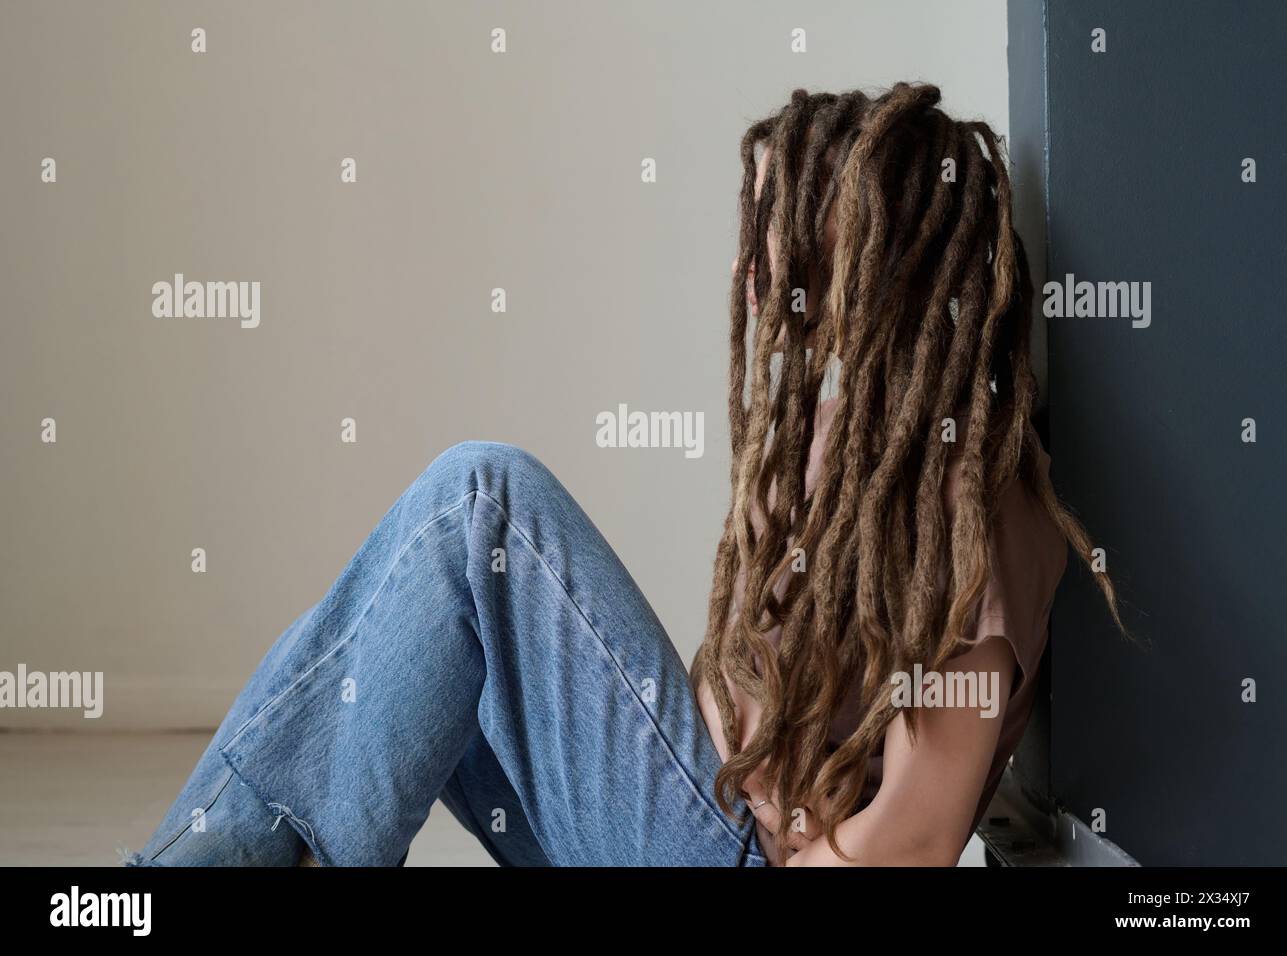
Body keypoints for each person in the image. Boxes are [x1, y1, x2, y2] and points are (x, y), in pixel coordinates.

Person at [128, 83, 1122, 868]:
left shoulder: (978, 509)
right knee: (404, 641)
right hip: (706, 827)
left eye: (786, 220)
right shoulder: (857, 447)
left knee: (481, 503)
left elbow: (908, 846)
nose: (753, 264)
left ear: (878, 252)